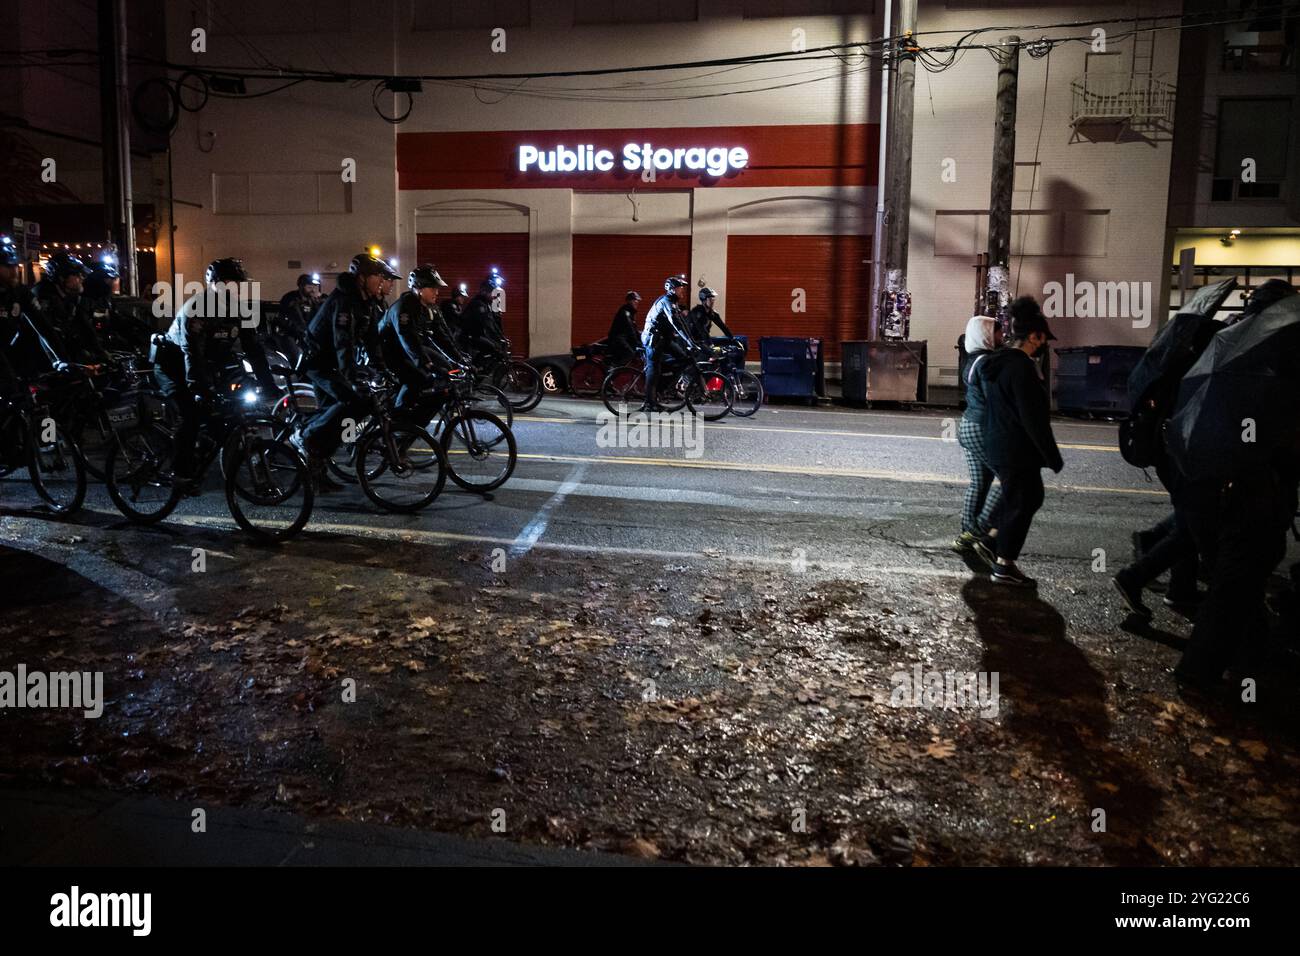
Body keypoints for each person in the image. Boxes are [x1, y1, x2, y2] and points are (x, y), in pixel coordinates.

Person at [153, 257, 277, 491]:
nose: (237, 288)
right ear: (215, 284)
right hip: (174, 365)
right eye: (231, 283)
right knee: (190, 415)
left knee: (225, 417)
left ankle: (202, 455)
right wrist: (200, 389)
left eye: (239, 284)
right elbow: (192, 353)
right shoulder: (198, 309)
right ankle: (179, 473)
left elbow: (254, 349)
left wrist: (268, 384)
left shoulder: (239, 309)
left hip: (206, 366)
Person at [970, 296, 1063, 587]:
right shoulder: (1022, 368)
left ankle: (992, 541)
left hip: (1000, 444)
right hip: (1016, 448)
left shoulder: (1000, 364)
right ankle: (1004, 565)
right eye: (1044, 338)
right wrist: (1051, 455)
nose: (1045, 344)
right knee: (1026, 499)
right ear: (1034, 336)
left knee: (1020, 498)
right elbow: (1032, 418)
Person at [295, 252, 396, 490]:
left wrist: (383, 370)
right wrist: (351, 377)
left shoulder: (367, 302)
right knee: (350, 401)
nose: (381, 281)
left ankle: (317, 472)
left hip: (335, 363)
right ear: (361, 278)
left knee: (339, 418)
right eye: (376, 277)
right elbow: (343, 342)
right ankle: (305, 434)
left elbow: (372, 342)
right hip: (318, 362)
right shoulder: (345, 300)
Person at [377, 264, 456, 427]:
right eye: (432, 288)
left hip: (404, 352)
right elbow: (408, 339)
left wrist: (460, 359)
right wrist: (426, 363)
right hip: (386, 353)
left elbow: (441, 336)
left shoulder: (424, 308)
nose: (437, 292)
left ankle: (411, 420)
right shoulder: (404, 308)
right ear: (419, 288)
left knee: (433, 376)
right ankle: (397, 425)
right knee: (416, 379)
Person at [952, 314, 1002, 555]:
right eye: (998, 332)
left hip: (968, 426)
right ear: (986, 335)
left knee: (980, 483)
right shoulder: (987, 363)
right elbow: (996, 398)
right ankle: (979, 529)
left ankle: (966, 533)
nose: (1002, 337)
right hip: (982, 427)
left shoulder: (972, 359)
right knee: (1010, 479)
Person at [640, 275, 693, 412]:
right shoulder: (666, 302)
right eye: (679, 288)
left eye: (682, 288)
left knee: (684, 359)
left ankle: (661, 387)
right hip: (653, 340)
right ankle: (649, 403)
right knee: (654, 370)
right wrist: (688, 341)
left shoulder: (674, 303)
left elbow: (681, 323)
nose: (682, 291)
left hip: (664, 339)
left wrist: (691, 341)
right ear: (671, 289)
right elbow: (675, 323)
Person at [457, 269, 508, 365]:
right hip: (469, 336)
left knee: (494, 347)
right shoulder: (479, 304)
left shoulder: (486, 304)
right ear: (485, 292)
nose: (495, 296)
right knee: (493, 348)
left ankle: (481, 368)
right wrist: (498, 338)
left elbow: (493, 322)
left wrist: (501, 337)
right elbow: (488, 323)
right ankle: (476, 369)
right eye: (492, 292)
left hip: (477, 335)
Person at [272, 272, 322, 361]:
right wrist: (305, 331)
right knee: (295, 355)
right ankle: (293, 374)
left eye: (314, 287)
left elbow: (318, 316)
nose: (312, 290)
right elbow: (296, 317)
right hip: (287, 333)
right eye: (309, 287)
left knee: (313, 353)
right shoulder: (291, 298)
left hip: (302, 333)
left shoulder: (311, 300)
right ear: (301, 286)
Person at [606, 291, 642, 365]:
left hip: (622, 338)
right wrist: (637, 341)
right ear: (629, 301)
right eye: (635, 300)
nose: (637, 302)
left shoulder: (630, 312)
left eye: (638, 300)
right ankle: (614, 369)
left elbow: (634, 329)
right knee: (630, 353)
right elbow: (630, 329)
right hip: (618, 338)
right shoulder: (625, 312)